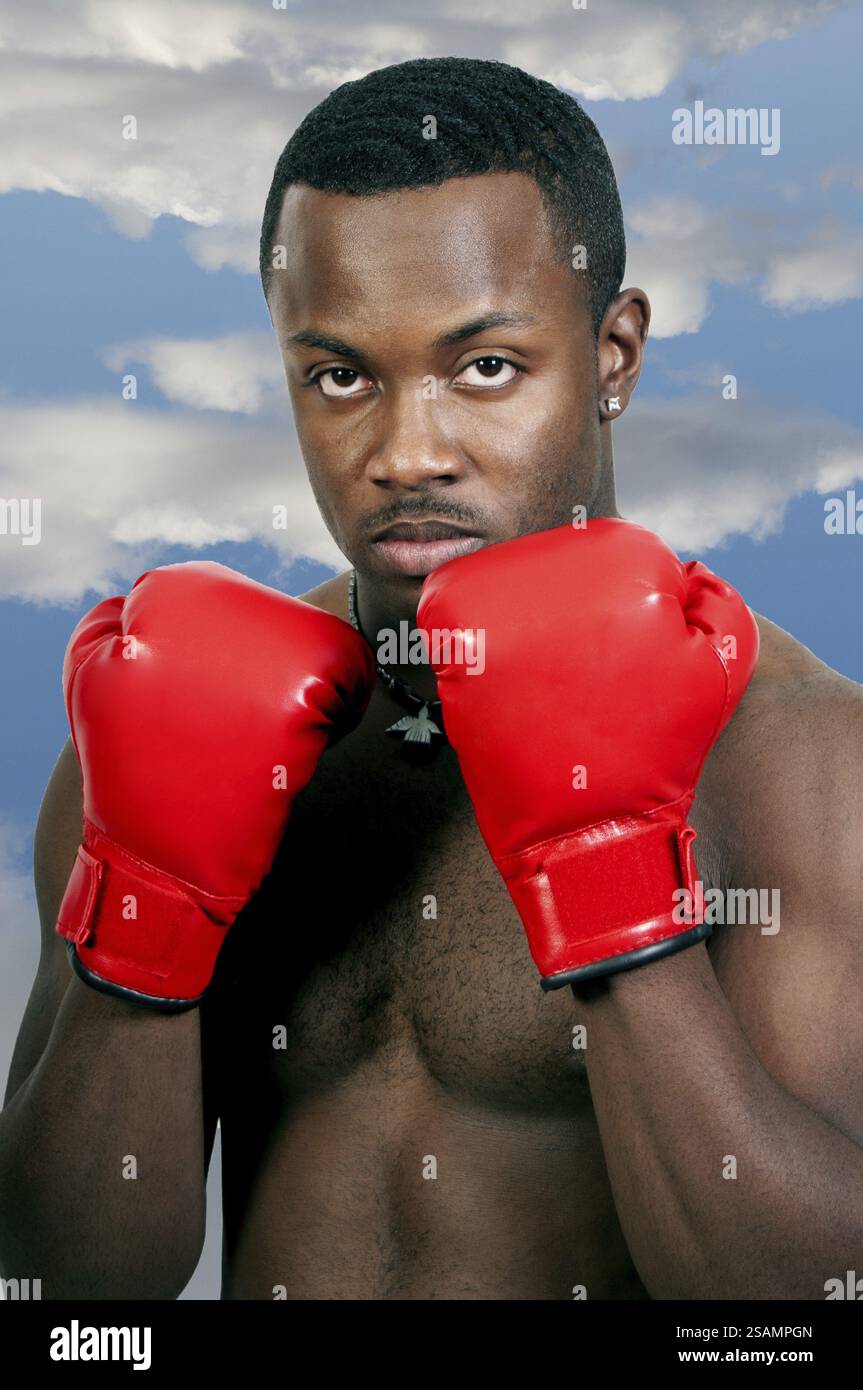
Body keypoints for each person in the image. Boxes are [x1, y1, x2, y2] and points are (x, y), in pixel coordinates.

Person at [2, 57, 862, 1302]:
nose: (406, 454)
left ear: (612, 354)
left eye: (485, 368)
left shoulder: (802, 756)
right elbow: (74, 1283)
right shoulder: (153, 724)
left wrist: (611, 883)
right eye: (340, 374)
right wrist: (143, 913)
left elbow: (805, 1302)